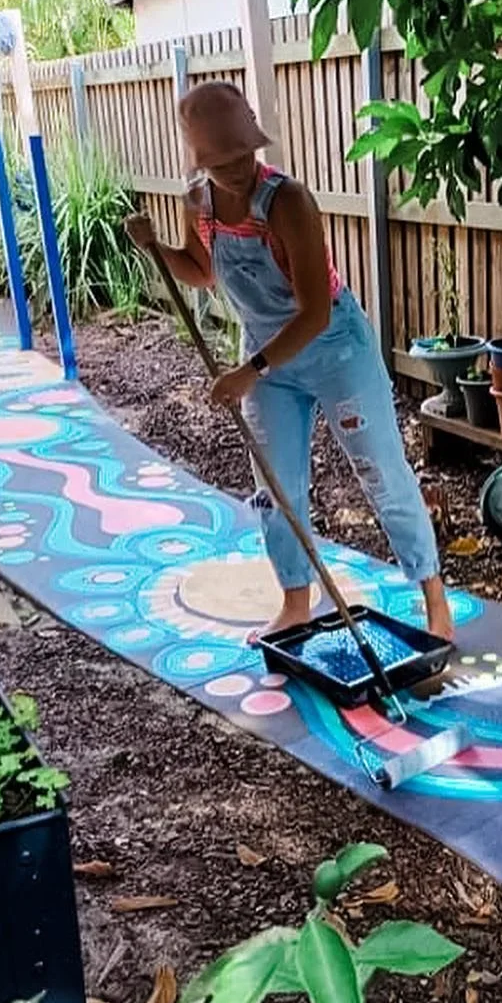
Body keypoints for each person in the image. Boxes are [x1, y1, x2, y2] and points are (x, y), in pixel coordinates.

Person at [125, 81, 454, 641]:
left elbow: (315, 313)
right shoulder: (199, 203)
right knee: (276, 485)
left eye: (243, 155)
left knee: (381, 474)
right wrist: (155, 248)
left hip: (332, 350)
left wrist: (248, 372)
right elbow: (203, 273)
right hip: (266, 358)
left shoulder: (287, 202)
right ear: (201, 160)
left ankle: (435, 608)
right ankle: (296, 602)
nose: (236, 169)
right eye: (221, 161)